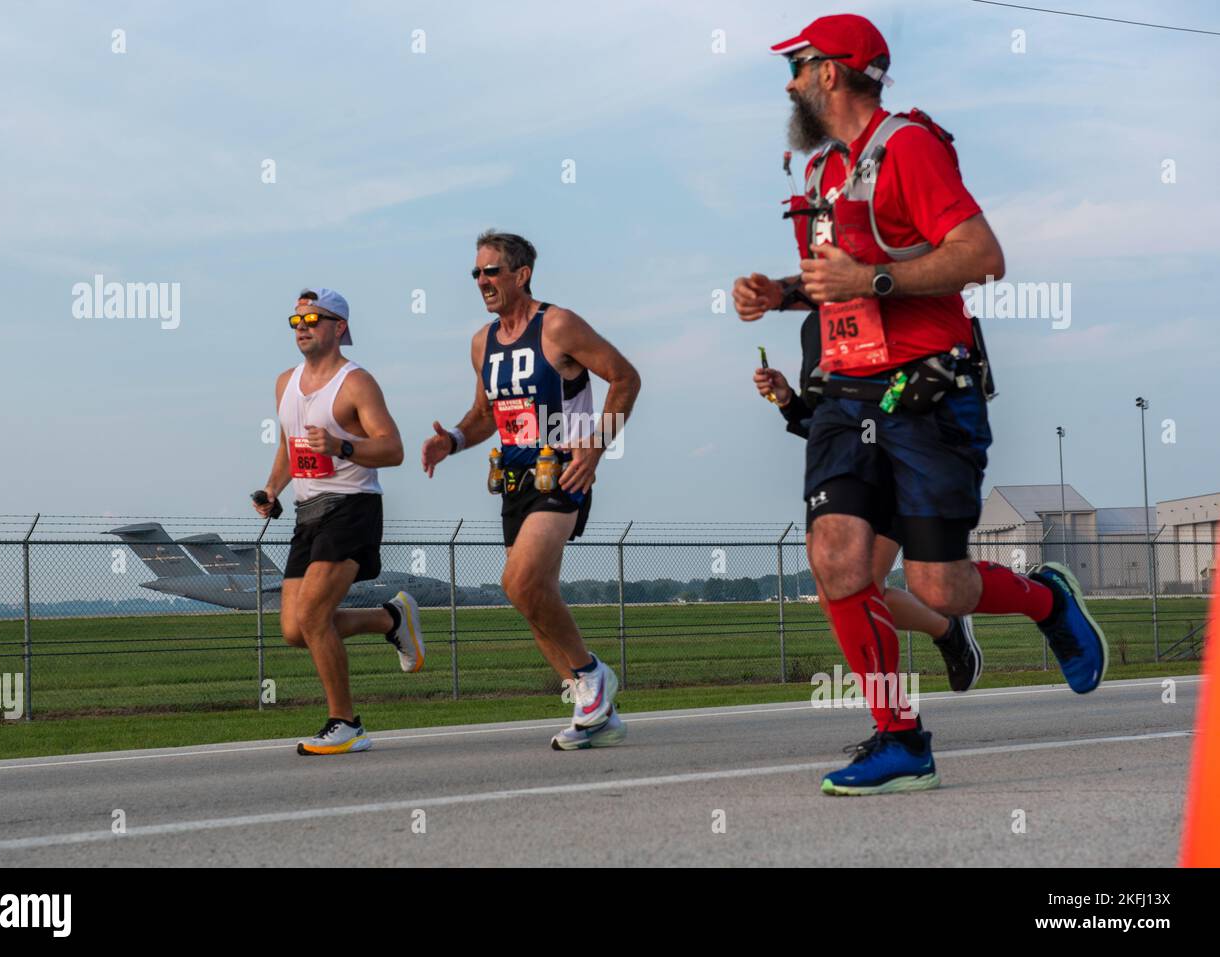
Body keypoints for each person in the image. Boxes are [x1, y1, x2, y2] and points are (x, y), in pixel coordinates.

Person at [733, 14, 1108, 795]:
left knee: (941, 589)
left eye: (799, 66)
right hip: (845, 392)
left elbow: (982, 255)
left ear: (833, 72)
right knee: (837, 559)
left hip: (926, 392)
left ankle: (1045, 599)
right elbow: (841, 279)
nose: (790, 81)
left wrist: (871, 282)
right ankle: (901, 737)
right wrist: (783, 294)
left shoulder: (908, 147)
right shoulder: (822, 173)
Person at [420, 231, 641, 750]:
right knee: (533, 597)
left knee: (519, 583)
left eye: (491, 271)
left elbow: (625, 378)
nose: (482, 282)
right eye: (476, 273)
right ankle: (596, 712)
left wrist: (595, 448)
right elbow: (483, 416)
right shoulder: (482, 342)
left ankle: (593, 675)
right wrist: (450, 441)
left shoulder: (558, 325)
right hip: (514, 481)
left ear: (521, 275)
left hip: (562, 471)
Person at [254, 287, 425, 756]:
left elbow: (393, 448)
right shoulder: (284, 383)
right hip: (308, 515)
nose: (302, 327)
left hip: (352, 506)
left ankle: (346, 722)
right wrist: (272, 489)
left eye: (313, 319)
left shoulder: (356, 383)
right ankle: (391, 618)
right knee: (294, 629)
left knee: (312, 616)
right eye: (296, 321)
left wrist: (342, 446)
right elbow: (290, 448)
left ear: (340, 327)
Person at [753, 362, 981, 693]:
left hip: (894, 478)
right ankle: (945, 631)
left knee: (860, 590)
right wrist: (789, 401)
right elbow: (830, 426)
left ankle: (893, 709)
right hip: (845, 479)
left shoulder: (885, 348)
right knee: (835, 599)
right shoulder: (826, 343)